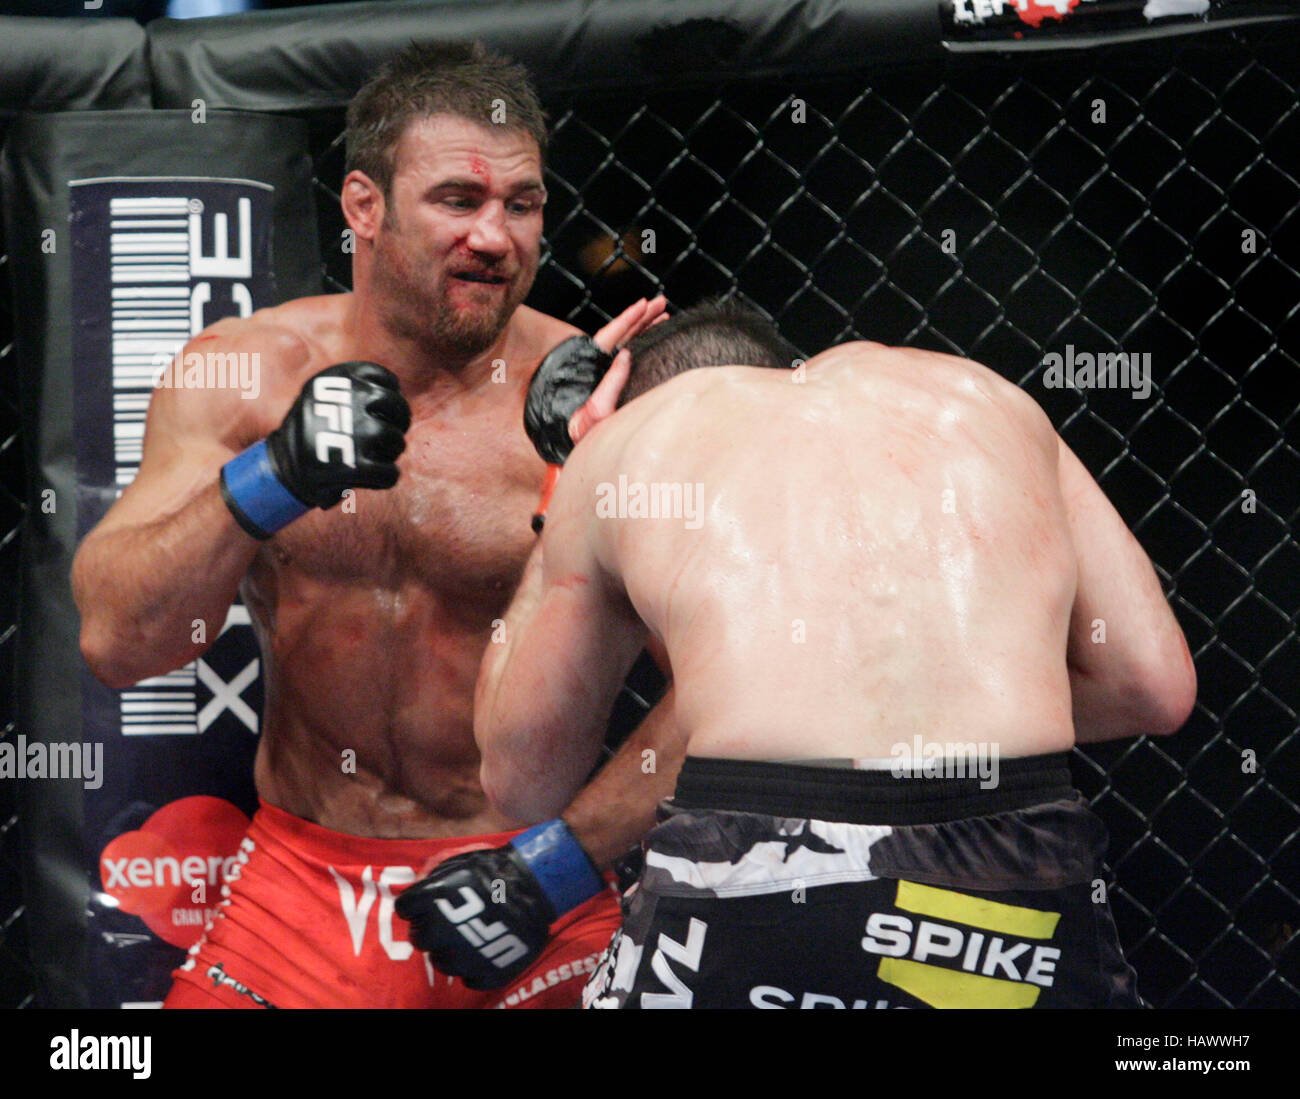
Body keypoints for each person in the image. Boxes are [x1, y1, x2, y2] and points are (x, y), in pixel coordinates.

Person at [71, 40, 676, 1009]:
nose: (495, 237)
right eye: (458, 200)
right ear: (364, 206)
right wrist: (270, 477)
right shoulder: (246, 375)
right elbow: (117, 641)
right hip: (299, 883)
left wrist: (554, 867)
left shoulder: (601, 402)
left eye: (521, 205)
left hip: (528, 887)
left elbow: (723, 697)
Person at [472, 299, 1198, 1009]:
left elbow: (521, 776)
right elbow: (1154, 685)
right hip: (1013, 858)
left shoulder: (631, 442)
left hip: (759, 859)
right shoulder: (990, 398)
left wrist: (572, 468)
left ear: (628, 401)